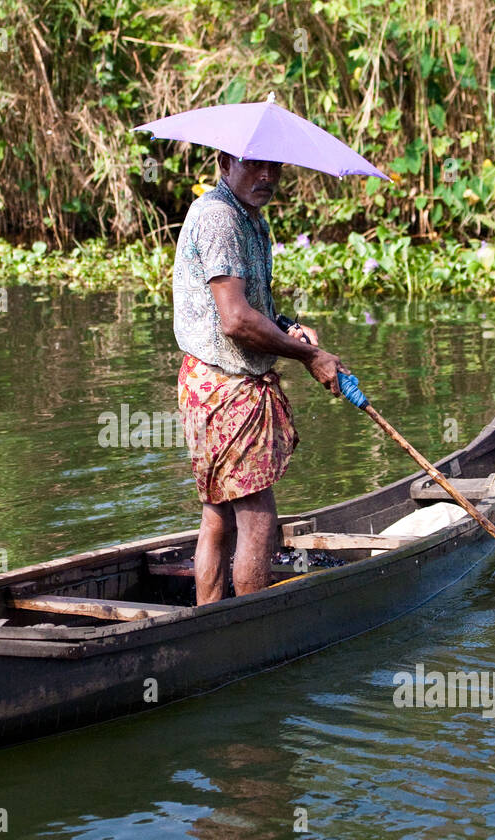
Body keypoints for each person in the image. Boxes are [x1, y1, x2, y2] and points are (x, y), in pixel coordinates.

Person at [173, 150, 348, 605]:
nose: (267, 175)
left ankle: (210, 619)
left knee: (218, 516)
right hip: (226, 387)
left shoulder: (250, 220)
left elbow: (255, 312)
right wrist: (309, 356)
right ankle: (247, 626)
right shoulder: (219, 218)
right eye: (253, 164)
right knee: (257, 518)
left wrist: (289, 329)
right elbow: (235, 321)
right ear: (224, 163)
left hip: (209, 382)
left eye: (276, 167)